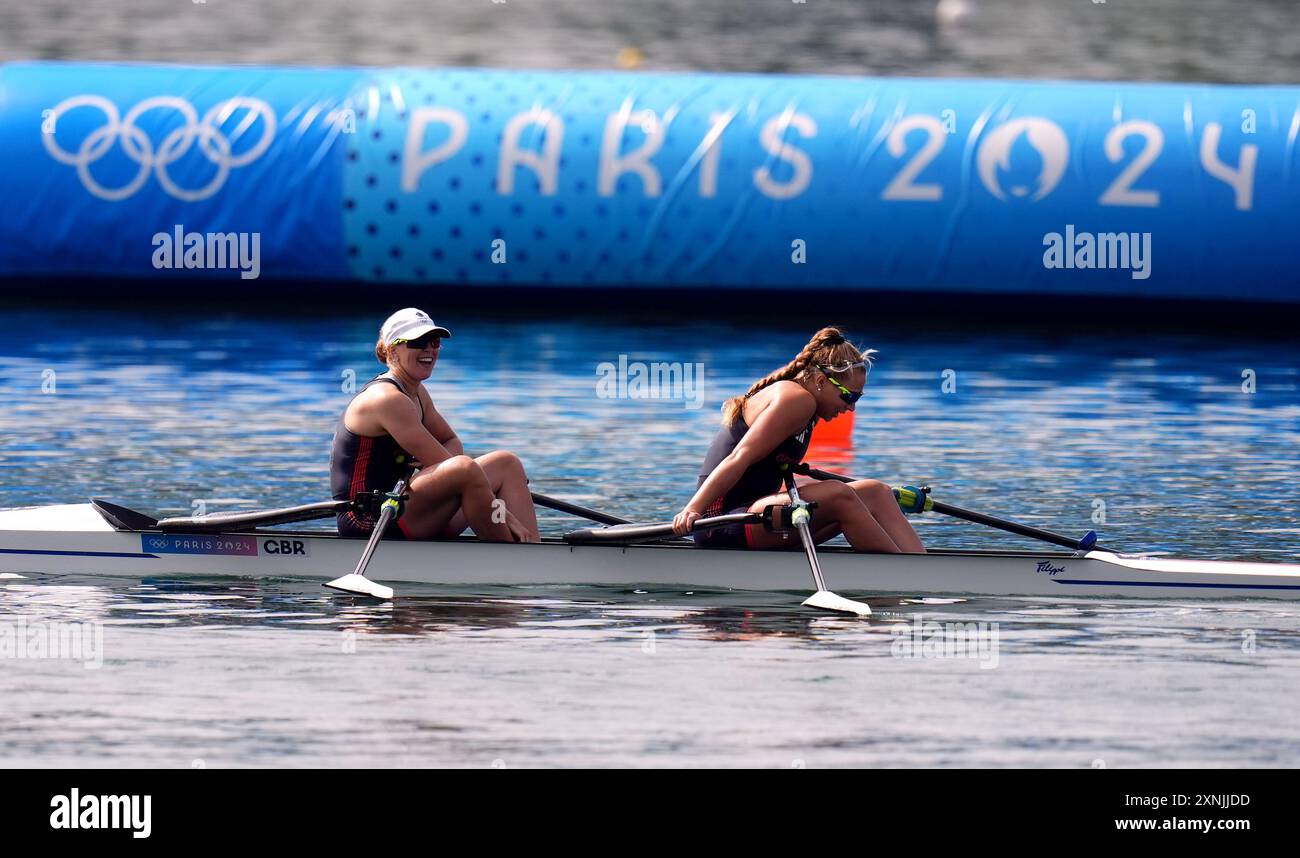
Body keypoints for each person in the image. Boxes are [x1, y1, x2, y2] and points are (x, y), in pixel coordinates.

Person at [673, 327, 925, 553]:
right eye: (849, 398)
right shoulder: (797, 400)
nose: (851, 409)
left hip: (755, 515)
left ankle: (920, 568)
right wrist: (692, 510)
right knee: (838, 494)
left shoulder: (809, 401)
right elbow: (739, 458)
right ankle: (903, 578)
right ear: (820, 381)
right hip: (719, 521)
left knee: (877, 492)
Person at [330, 307, 539, 543]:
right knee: (463, 468)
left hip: (405, 508)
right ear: (392, 350)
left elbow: (451, 442)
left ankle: (532, 550)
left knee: (506, 463)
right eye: (418, 342)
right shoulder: (387, 399)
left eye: (434, 341)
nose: (429, 348)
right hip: (369, 520)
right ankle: (512, 557)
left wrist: (441, 471)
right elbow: (453, 464)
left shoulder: (417, 393)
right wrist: (507, 516)